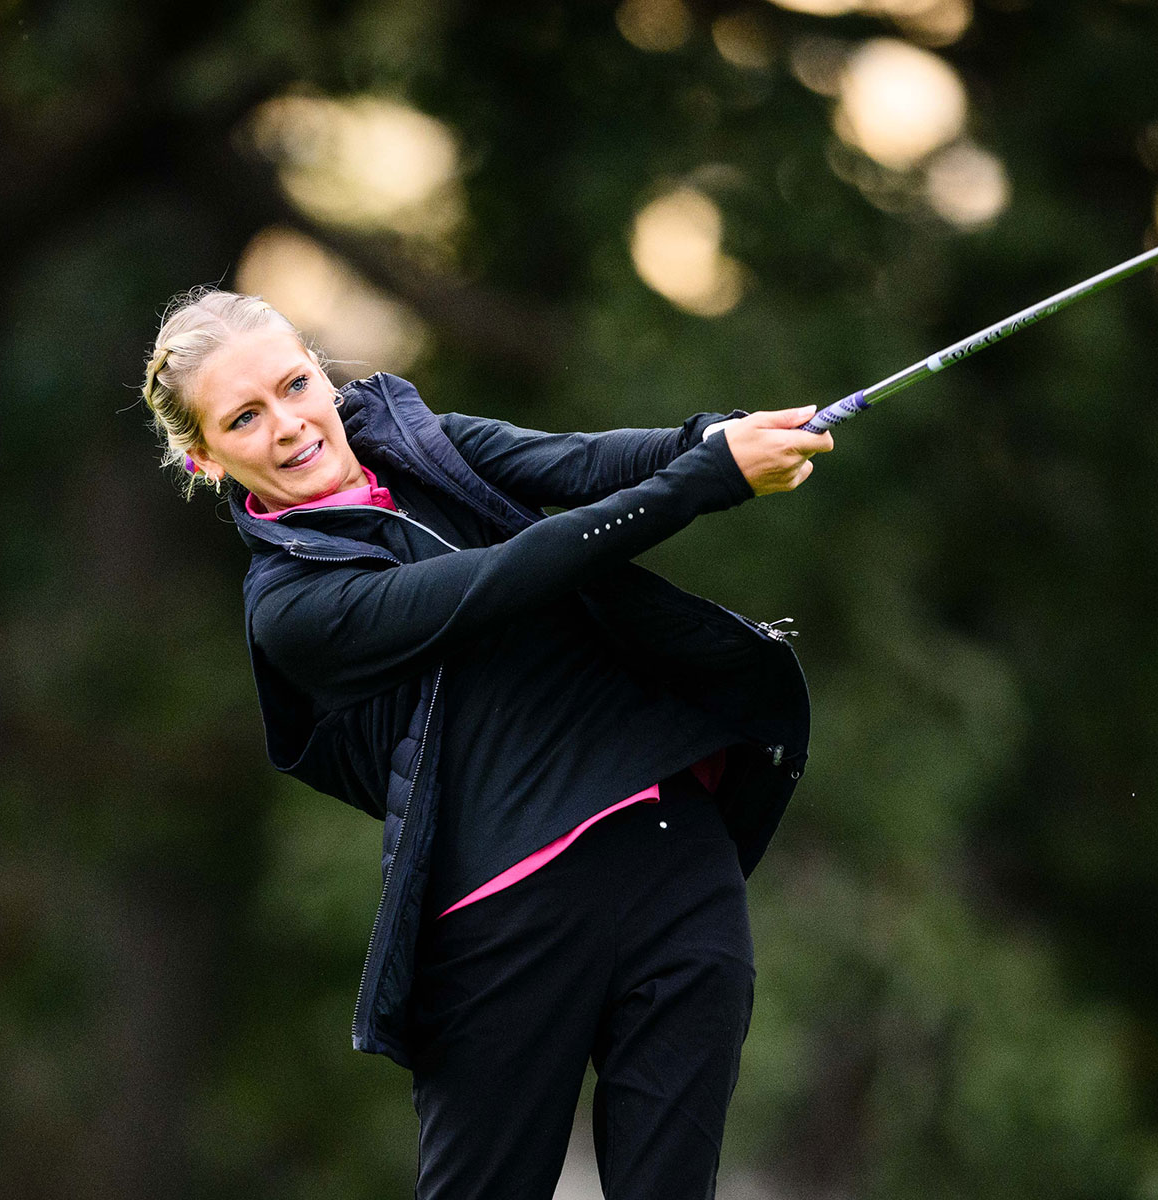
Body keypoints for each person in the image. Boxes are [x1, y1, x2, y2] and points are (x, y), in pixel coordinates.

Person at [141, 287, 828, 1197]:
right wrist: (710, 478)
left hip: (673, 856)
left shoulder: (417, 438)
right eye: (244, 417)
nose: (290, 424)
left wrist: (713, 438)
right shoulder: (293, 610)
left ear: (319, 370)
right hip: (504, 929)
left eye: (296, 384)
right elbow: (506, 579)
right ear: (205, 457)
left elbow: (578, 466)